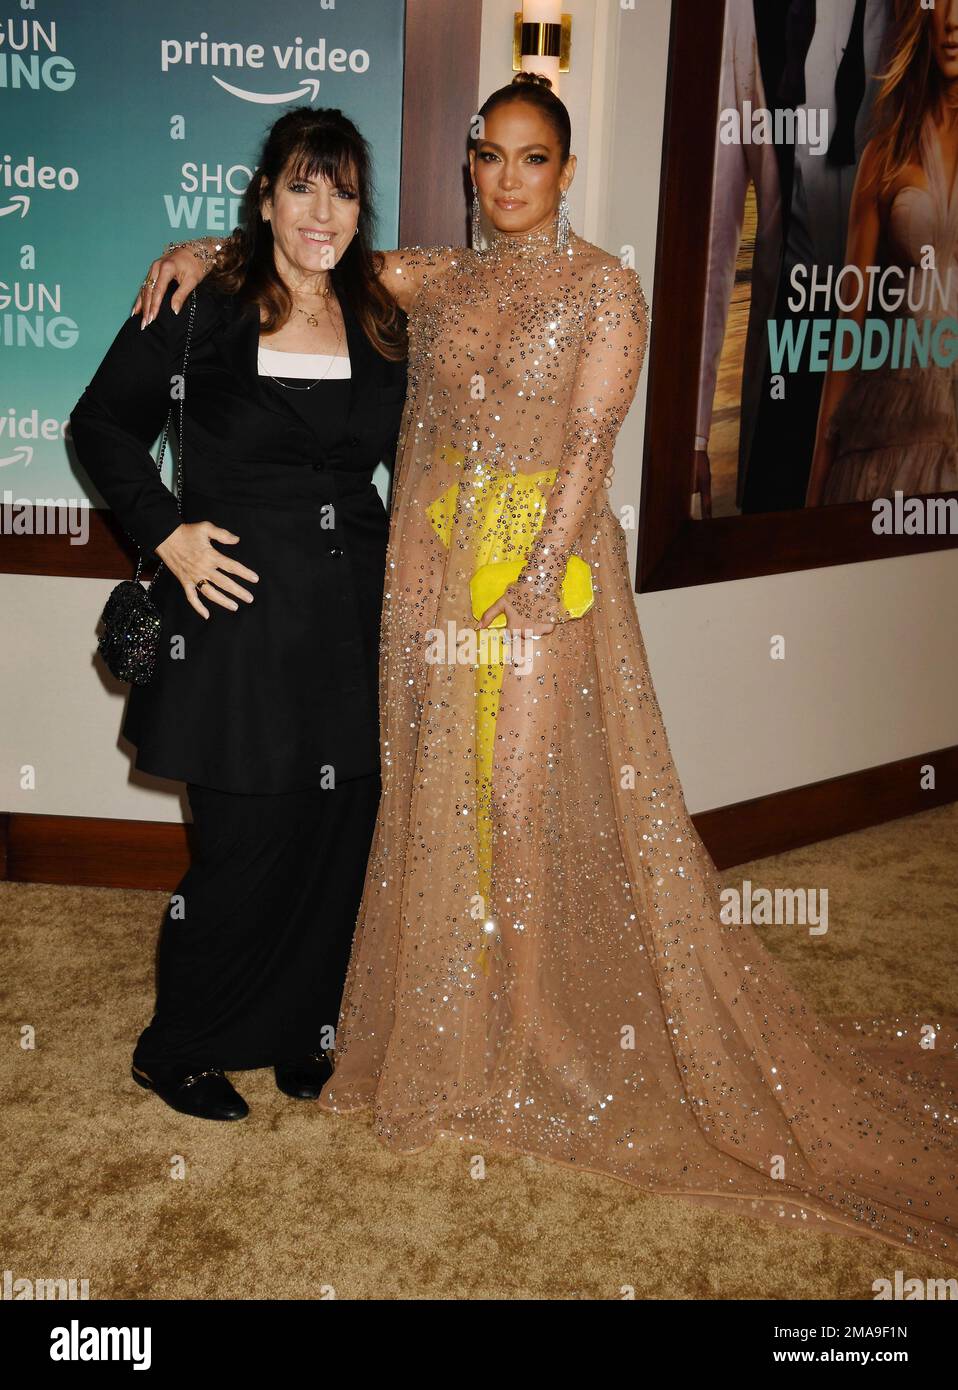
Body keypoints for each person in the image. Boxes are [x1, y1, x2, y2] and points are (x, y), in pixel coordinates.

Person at [143, 76, 958, 1267]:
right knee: (429, 804)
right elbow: (320, 247)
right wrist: (207, 244)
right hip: (421, 577)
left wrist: (526, 595)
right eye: (491, 157)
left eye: (534, 159)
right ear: (470, 164)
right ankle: (445, 1029)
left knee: (515, 814)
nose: (509, 179)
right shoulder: (431, 278)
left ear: (565, 172)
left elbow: (586, 452)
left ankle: (526, 1045)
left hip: (530, 582)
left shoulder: (602, 289)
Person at [70, 108, 408, 1121]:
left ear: (361, 208)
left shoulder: (383, 317)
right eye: (299, 187)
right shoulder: (199, 303)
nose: (321, 211)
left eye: (341, 190)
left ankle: (305, 1033)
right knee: (242, 850)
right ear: (262, 198)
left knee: (339, 835)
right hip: (232, 628)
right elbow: (100, 425)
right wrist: (164, 530)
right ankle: (177, 1047)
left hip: (350, 619)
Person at [808, 0, 958, 505]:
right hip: (890, 431)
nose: (954, 19)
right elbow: (848, 331)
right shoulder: (885, 155)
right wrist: (814, 489)